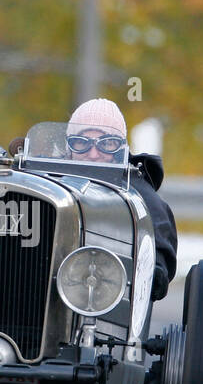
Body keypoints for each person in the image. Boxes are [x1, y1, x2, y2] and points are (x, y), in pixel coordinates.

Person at [68, 98, 177, 301]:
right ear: (69, 146)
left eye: (106, 144)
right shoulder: (51, 183)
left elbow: (160, 244)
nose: (93, 154)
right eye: (82, 143)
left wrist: (154, 268)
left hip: (108, 295)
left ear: (121, 148)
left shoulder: (137, 192)